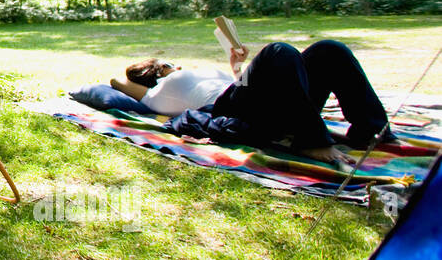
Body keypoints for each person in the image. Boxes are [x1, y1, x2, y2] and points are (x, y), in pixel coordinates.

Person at [111, 39, 393, 165]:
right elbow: (120, 85)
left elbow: (238, 87)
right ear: (157, 71)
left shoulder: (186, 77)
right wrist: (137, 76)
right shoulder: (161, 90)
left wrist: (236, 66)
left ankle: (370, 131)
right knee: (278, 52)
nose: (178, 64)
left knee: (329, 50)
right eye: (168, 63)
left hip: (258, 99)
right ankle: (312, 141)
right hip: (233, 109)